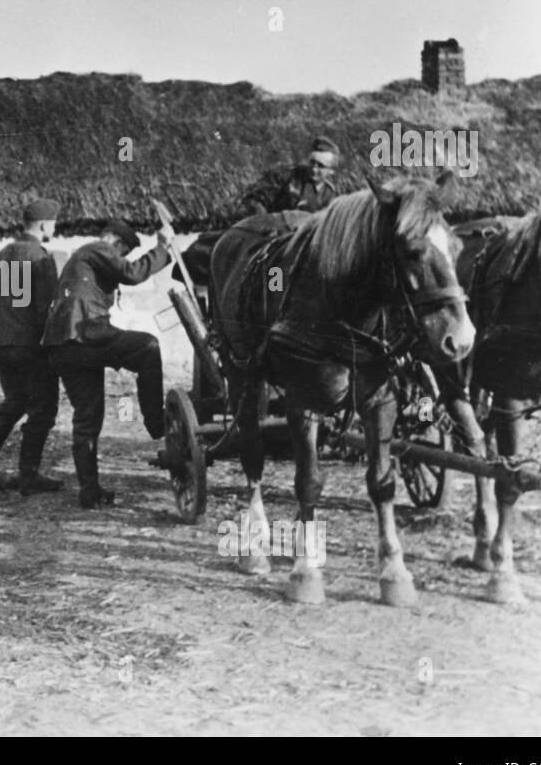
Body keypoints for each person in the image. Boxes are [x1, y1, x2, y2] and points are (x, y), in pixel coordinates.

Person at [42, 220, 172, 508]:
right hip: (85, 333)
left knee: (87, 418)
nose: (121, 256)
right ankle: (156, 423)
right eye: (122, 250)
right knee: (148, 348)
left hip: (64, 346)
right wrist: (162, 248)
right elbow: (133, 274)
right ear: (113, 239)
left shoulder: (82, 257)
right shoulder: (98, 247)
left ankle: (89, 490)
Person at [0, 198, 63, 496]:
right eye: (54, 223)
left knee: (16, 400)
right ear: (45, 224)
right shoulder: (39, 257)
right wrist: (52, 348)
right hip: (29, 347)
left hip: (1, 344)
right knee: (44, 409)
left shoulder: (3, 255)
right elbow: (44, 309)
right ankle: (28, 475)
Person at [178, 135, 343, 287]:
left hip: (298, 246)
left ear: (331, 171)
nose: (314, 169)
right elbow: (256, 199)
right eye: (312, 163)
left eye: (321, 166)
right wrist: (264, 224)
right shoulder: (286, 176)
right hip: (269, 234)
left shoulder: (330, 197)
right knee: (225, 249)